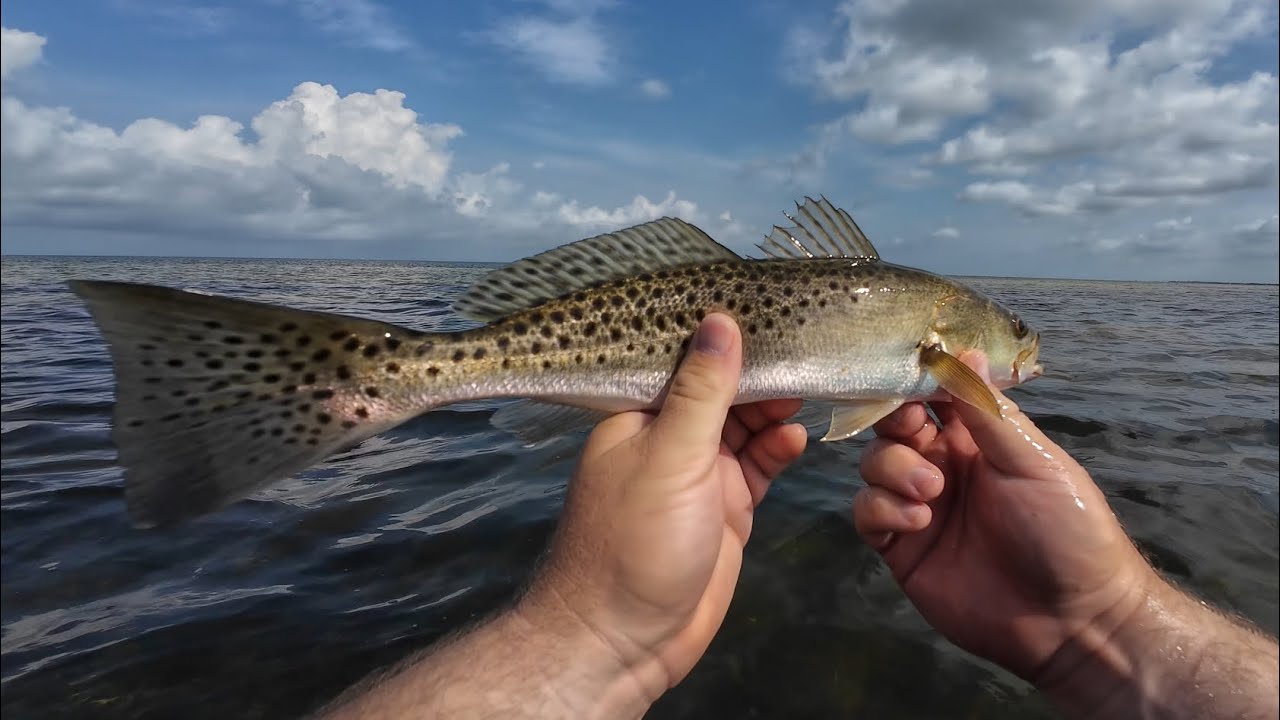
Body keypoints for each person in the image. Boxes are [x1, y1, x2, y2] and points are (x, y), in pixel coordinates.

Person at [316, 314, 1279, 720]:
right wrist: (1106, 624)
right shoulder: (946, 355)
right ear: (960, 339)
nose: (1025, 354)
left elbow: (858, 415)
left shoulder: (911, 371)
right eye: (1015, 338)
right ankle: (385, 379)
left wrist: (585, 640)